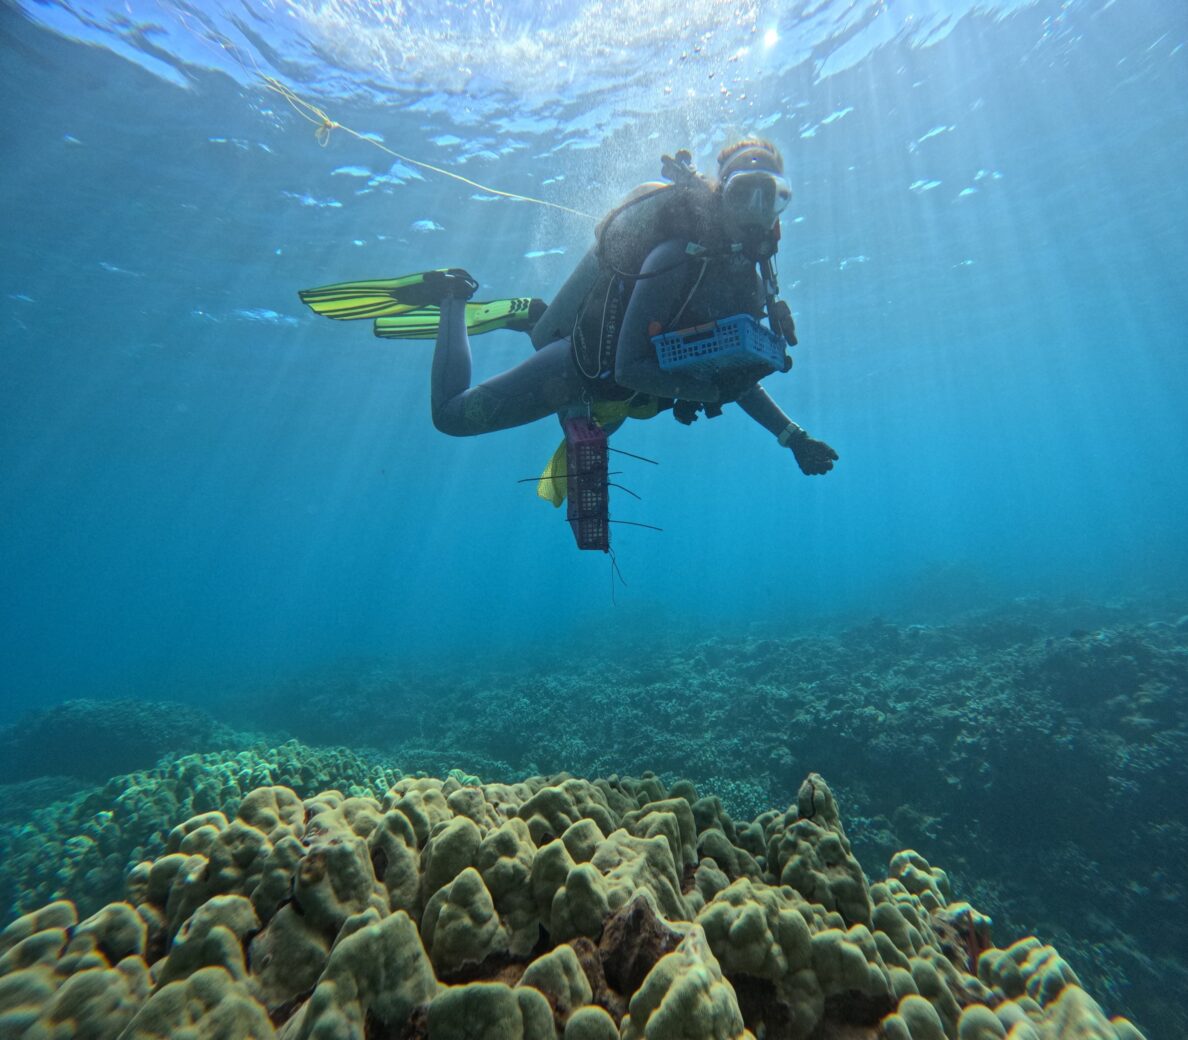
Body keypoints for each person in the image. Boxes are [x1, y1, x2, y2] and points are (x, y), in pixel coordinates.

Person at [425, 138, 839, 477]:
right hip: (580, 371)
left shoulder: (750, 281)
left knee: (587, 427)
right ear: (720, 197)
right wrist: (709, 391)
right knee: (450, 417)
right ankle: (452, 295)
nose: (754, 212)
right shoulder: (675, 258)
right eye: (742, 194)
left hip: (625, 399)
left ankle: (539, 316)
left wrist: (793, 438)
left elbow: (736, 377)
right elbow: (628, 368)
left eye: (768, 198)